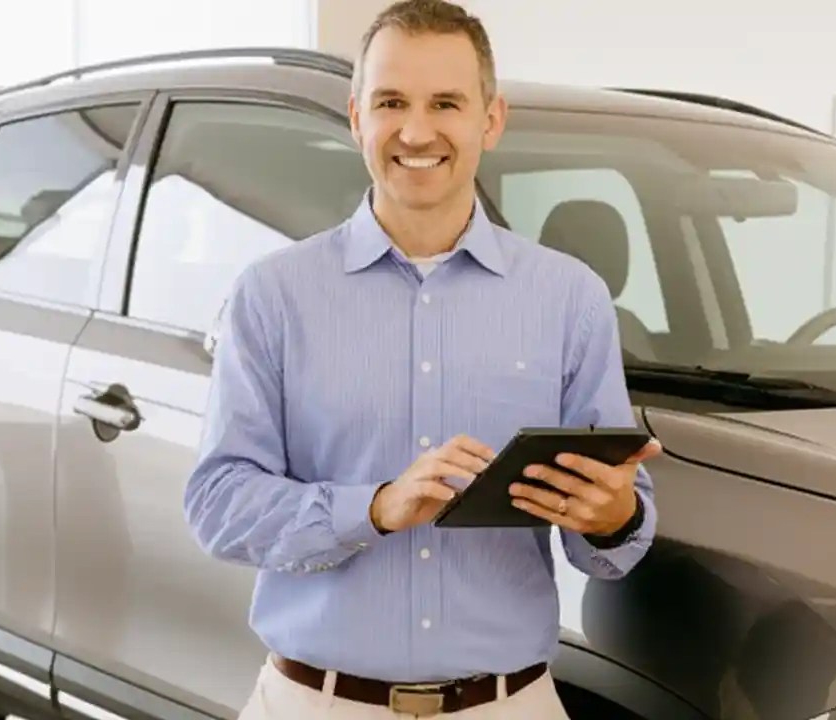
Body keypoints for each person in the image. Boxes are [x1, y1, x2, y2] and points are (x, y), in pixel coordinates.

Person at [184, 1, 661, 717]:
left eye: (446, 103)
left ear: (490, 120)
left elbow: (614, 542)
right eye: (390, 102)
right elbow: (218, 505)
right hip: (315, 704)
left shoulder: (571, 299)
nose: (416, 130)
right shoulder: (273, 296)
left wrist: (613, 515)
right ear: (355, 117)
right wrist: (374, 507)